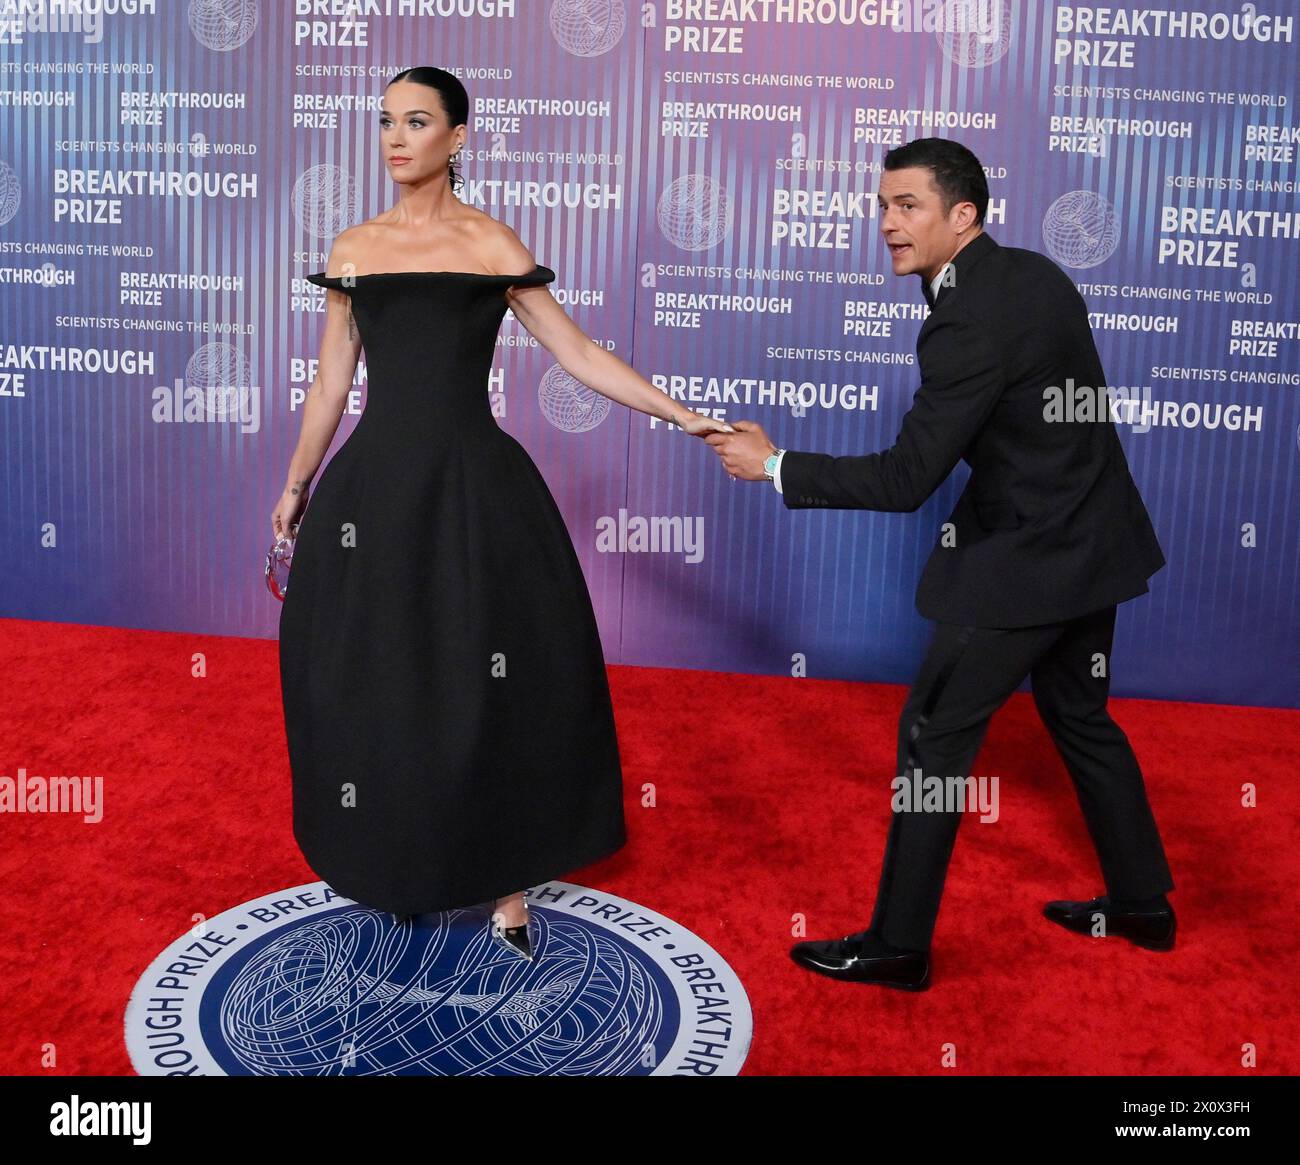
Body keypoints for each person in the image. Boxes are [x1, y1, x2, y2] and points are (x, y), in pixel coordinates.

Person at [273, 66, 731, 963]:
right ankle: (398, 858)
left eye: (417, 121)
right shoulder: (354, 247)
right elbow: (331, 381)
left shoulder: (491, 244)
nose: (396, 138)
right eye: (385, 122)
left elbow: (578, 353)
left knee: (490, 680)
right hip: (373, 492)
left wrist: (683, 414)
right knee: (378, 675)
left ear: (460, 137)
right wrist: (296, 486)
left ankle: (509, 886)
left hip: (474, 492)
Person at [706, 137, 1176, 991]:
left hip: (1024, 565)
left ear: (964, 215)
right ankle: (1144, 901)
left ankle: (897, 945)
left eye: (908, 206)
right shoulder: (1033, 274)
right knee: (1080, 717)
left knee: (932, 741)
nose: (887, 223)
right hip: (1091, 545)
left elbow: (905, 479)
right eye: (882, 204)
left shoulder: (965, 318)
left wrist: (774, 465)